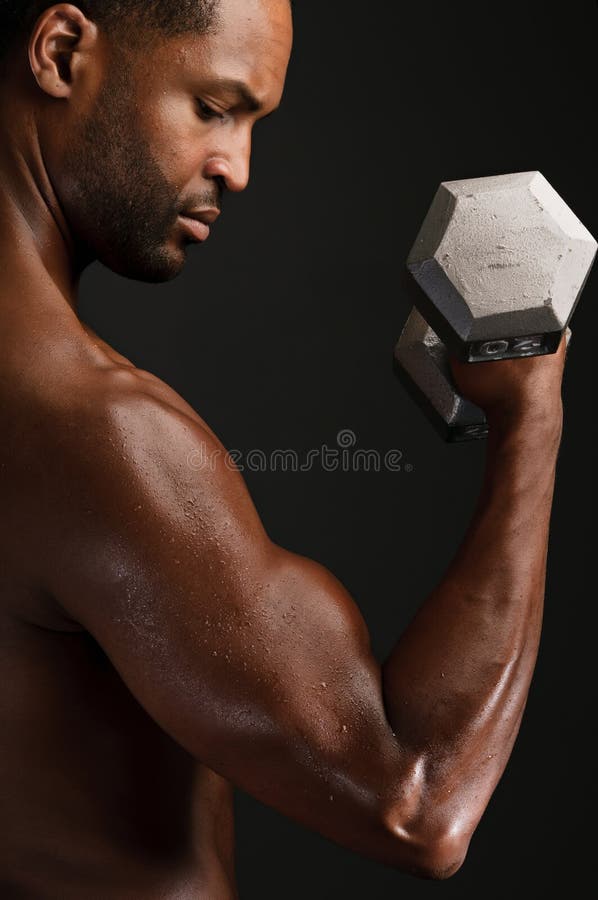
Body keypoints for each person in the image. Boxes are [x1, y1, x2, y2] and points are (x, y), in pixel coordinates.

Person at [0, 1, 568, 897]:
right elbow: (419, 804)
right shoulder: (92, 428)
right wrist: (531, 413)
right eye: (214, 107)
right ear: (64, 53)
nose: (239, 168)